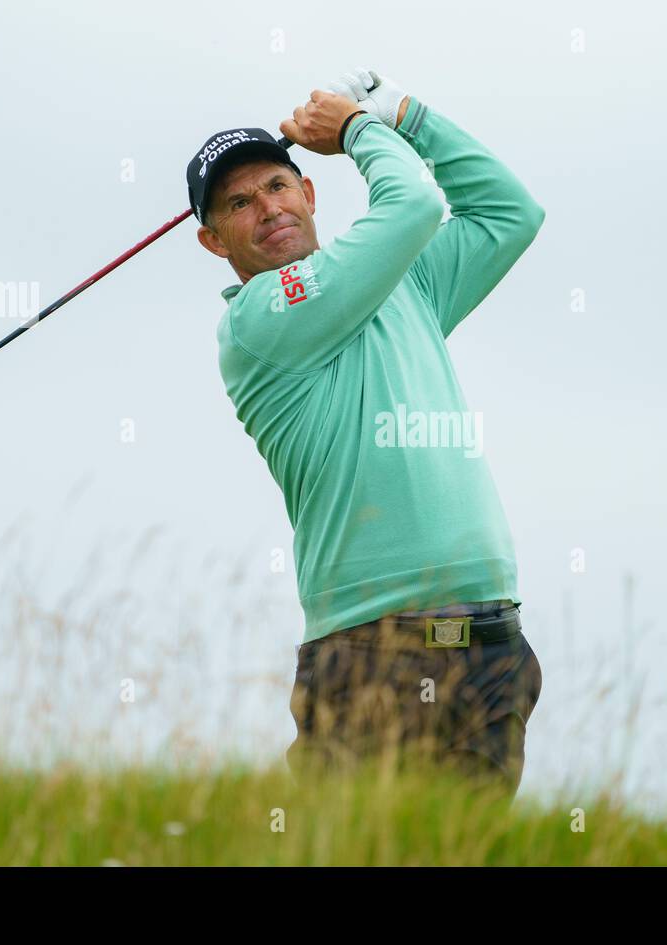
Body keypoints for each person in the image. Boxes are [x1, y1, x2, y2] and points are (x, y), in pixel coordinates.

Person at [185, 68, 545, 801]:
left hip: (485, 639)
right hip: (367, 649)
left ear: (310, 193)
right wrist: (357, 129)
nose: (267, 209)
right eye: (239, 203)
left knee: (468, 857)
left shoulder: (401, 286)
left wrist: (408, 115)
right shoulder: (256, 324)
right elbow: (411, 203)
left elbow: (511, 213)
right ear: (213, 241)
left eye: (278, 187)